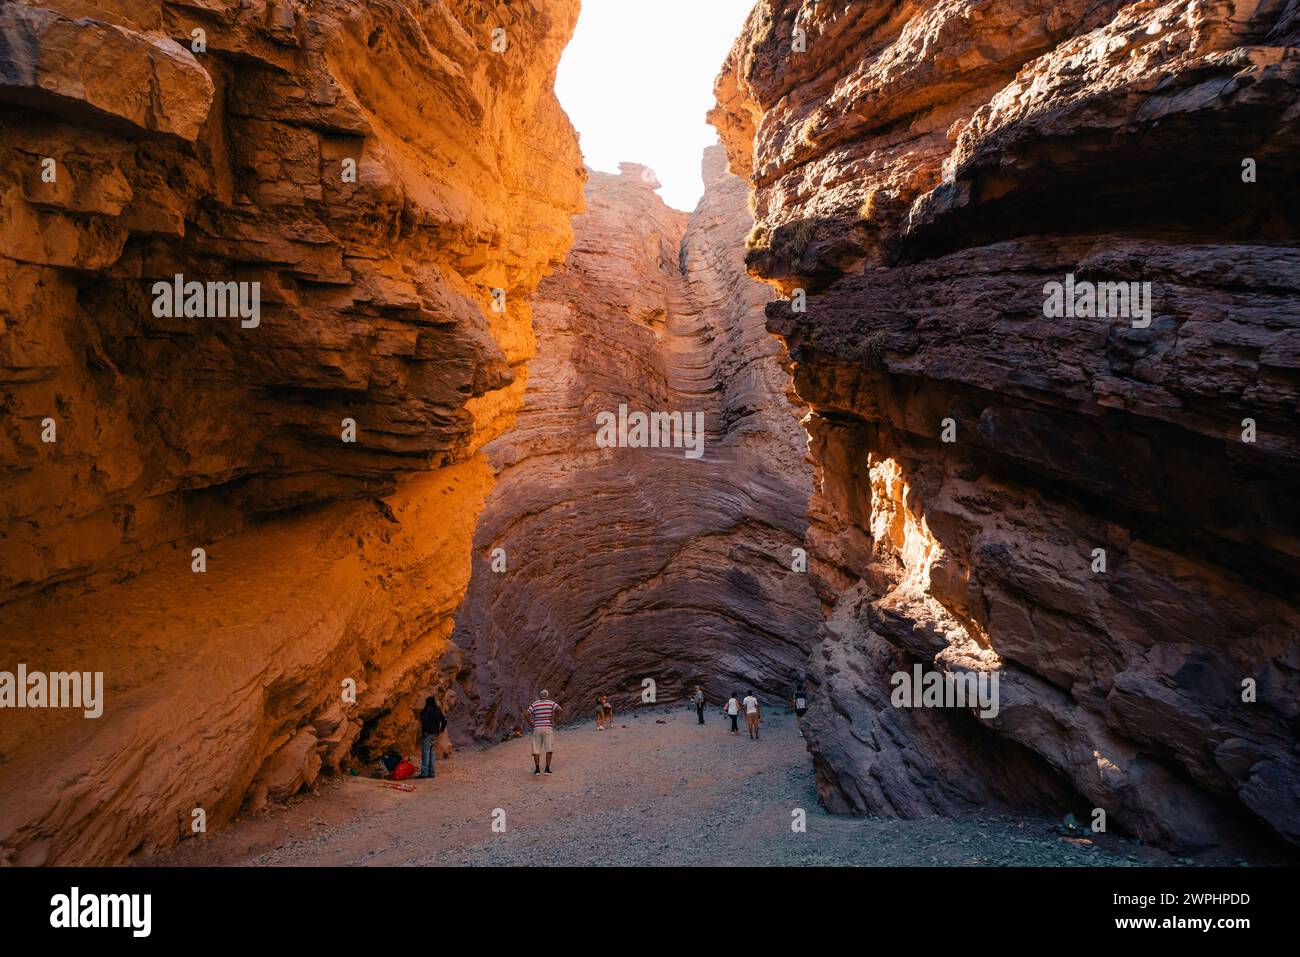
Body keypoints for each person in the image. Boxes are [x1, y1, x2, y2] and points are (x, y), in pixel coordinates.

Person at [525, 689, 561, 774]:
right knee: (549, 748)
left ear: (540, 695)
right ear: (547, 695)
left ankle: (537, 770)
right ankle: (547, 769)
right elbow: (560, 710)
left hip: (537, 728)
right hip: (547, 727)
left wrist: (531, 723)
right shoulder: (551, 703)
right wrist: (553, 719)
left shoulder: (535, 704)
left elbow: (526, 714)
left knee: (536, 749)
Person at [417, 696, 447, 779]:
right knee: (432, 753)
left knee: (425, 753)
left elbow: (424, 721)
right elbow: (444, 720)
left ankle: (424, 773)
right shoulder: (437, 710)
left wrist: (424, 731)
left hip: (428, 734)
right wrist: (441, 730)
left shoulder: (425, 710)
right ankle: (432, 773)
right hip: (435, 734)